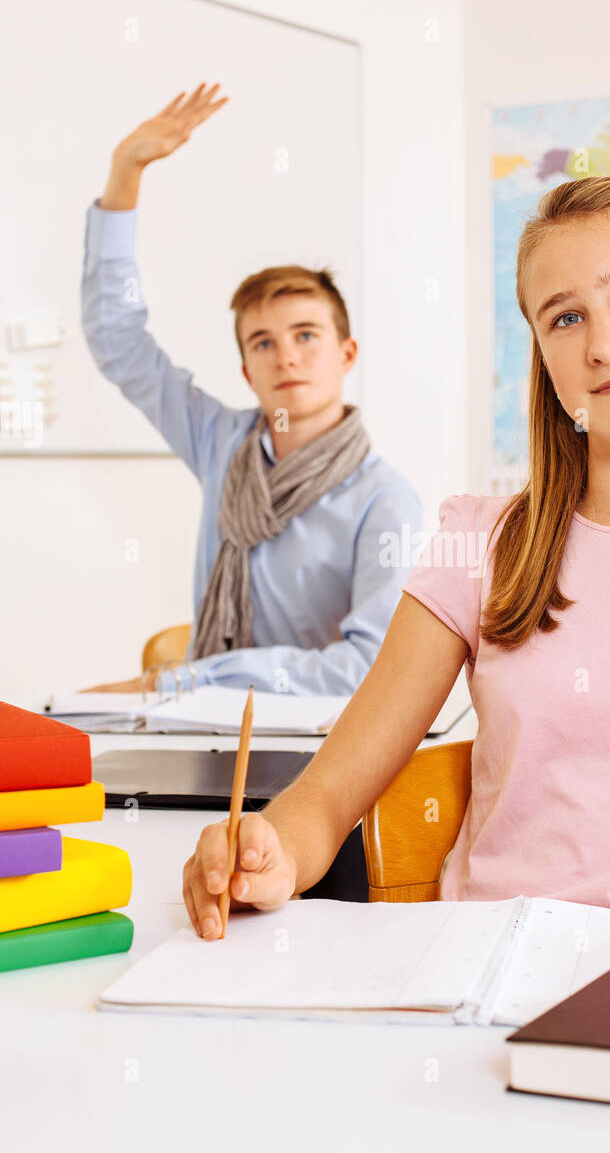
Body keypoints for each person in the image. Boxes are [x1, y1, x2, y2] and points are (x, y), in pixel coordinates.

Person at [182, 173, 610, 935]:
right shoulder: (482, 543)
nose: (604, 343)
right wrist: (270, 848)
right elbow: (328, 800)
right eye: (565, 317)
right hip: (475, 982)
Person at [80, 82, 422, 701]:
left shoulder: (386, 500)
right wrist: (124, 173)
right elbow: (117, 339)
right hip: (200, 729)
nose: (286, 355)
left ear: (347, 353)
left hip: (320, 753)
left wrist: (190, 679)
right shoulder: (220, 442)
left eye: (306, 335)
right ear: (246, 371)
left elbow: (367, 668)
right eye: (262, 342)